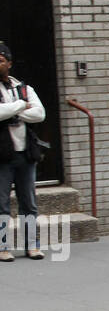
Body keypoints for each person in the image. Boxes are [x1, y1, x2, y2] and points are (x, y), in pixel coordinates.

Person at [0, 42, 46, 261]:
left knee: (28, 203)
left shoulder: (24, 87)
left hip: (25, 154)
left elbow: (40, 113)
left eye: (1, 60)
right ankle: (2, 247)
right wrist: (21, 106)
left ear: (9, 63)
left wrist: (13, 112)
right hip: (2, 156)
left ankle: (32, 245)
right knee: (1, 204)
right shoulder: (22, 96)